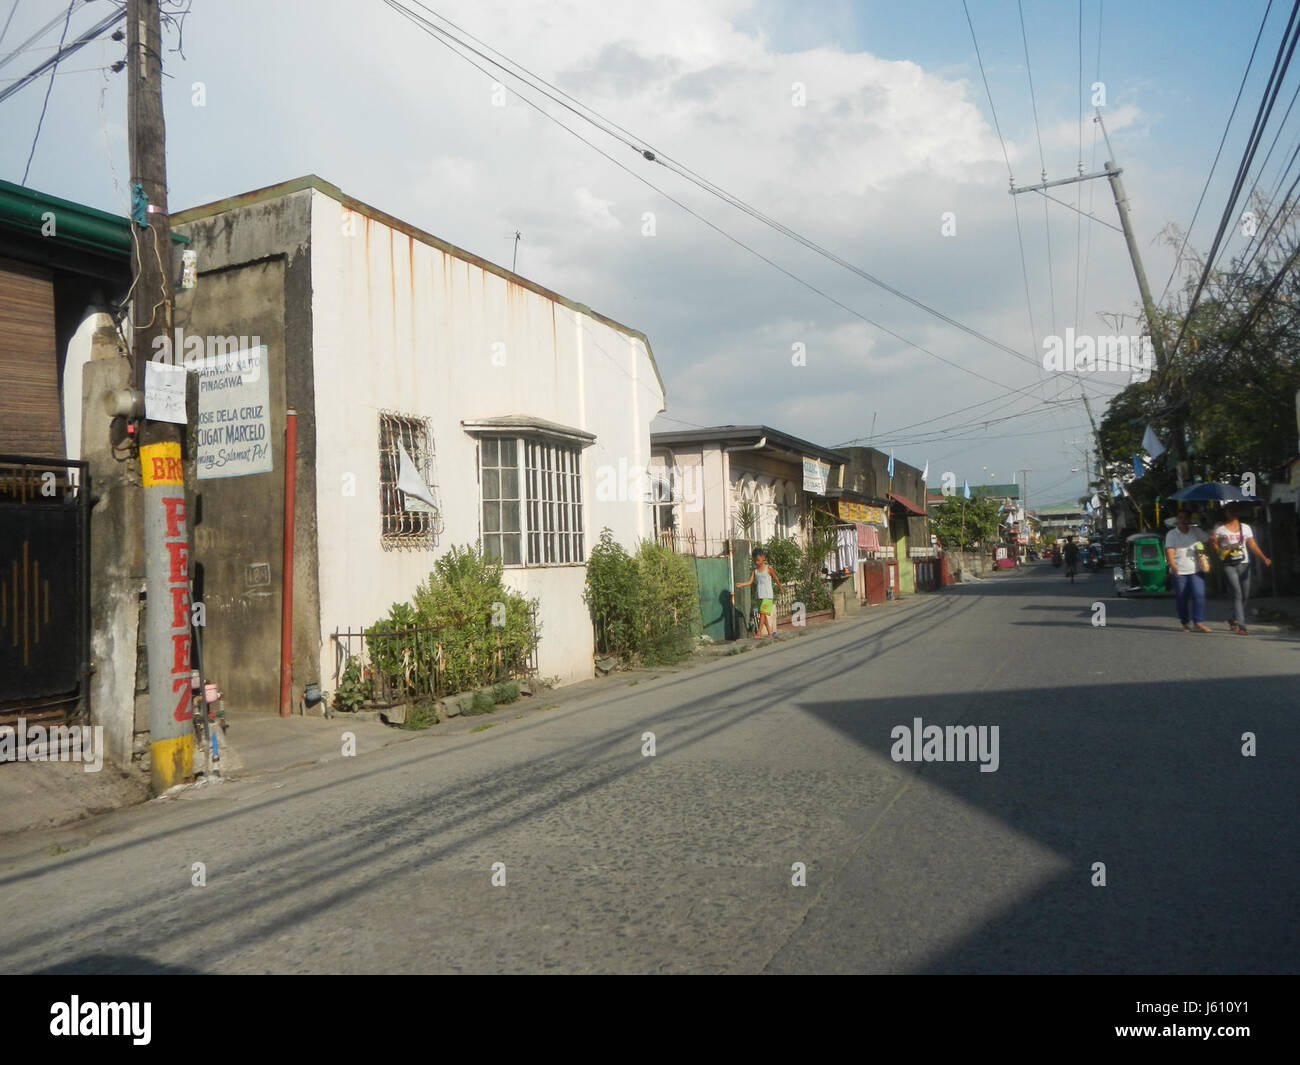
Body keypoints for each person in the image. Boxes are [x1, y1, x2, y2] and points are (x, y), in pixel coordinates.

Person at [1211, 503, 1271, 634]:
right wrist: (1215, 543)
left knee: (1245, 595)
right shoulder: (1219, 528)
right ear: (1225, 513)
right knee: (1237, 593)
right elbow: (1215, 545)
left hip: (1244, 563)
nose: (1233, 513)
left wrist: (1263, 557)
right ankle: (1241, 625)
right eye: (1230, 511)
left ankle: (1233, 618)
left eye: (1235, 511)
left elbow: (1252, 545)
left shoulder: (1245, 528)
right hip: (1228, 564)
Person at [1165, 507, 1210, 632]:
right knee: (1182, 597)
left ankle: (1198, 622)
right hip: (1179, 571)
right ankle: (1185, 622)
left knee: (1199, 595)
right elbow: (1169, 550)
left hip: (1195, 569)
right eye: (1181, 517)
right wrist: (1172, 564)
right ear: (1177, 520)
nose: (1183, 520)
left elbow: (1208, 539)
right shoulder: (1172, 534)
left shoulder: (1195, 531)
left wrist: (1216, 532)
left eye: (1186, 517)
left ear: (1189, 519)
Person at [735, 548, 783, 639]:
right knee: (762, 614)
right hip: (759, 595)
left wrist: (780, 588)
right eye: (754, 560)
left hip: (768, 595)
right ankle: (769, 632)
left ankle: (759, 632)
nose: (756, 562)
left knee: (762, 614)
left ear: (763, 558)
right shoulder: (755, 571)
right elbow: (750, 582)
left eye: (758, 560)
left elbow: (776, 578)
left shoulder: (769, 568)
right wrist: (742, 584)